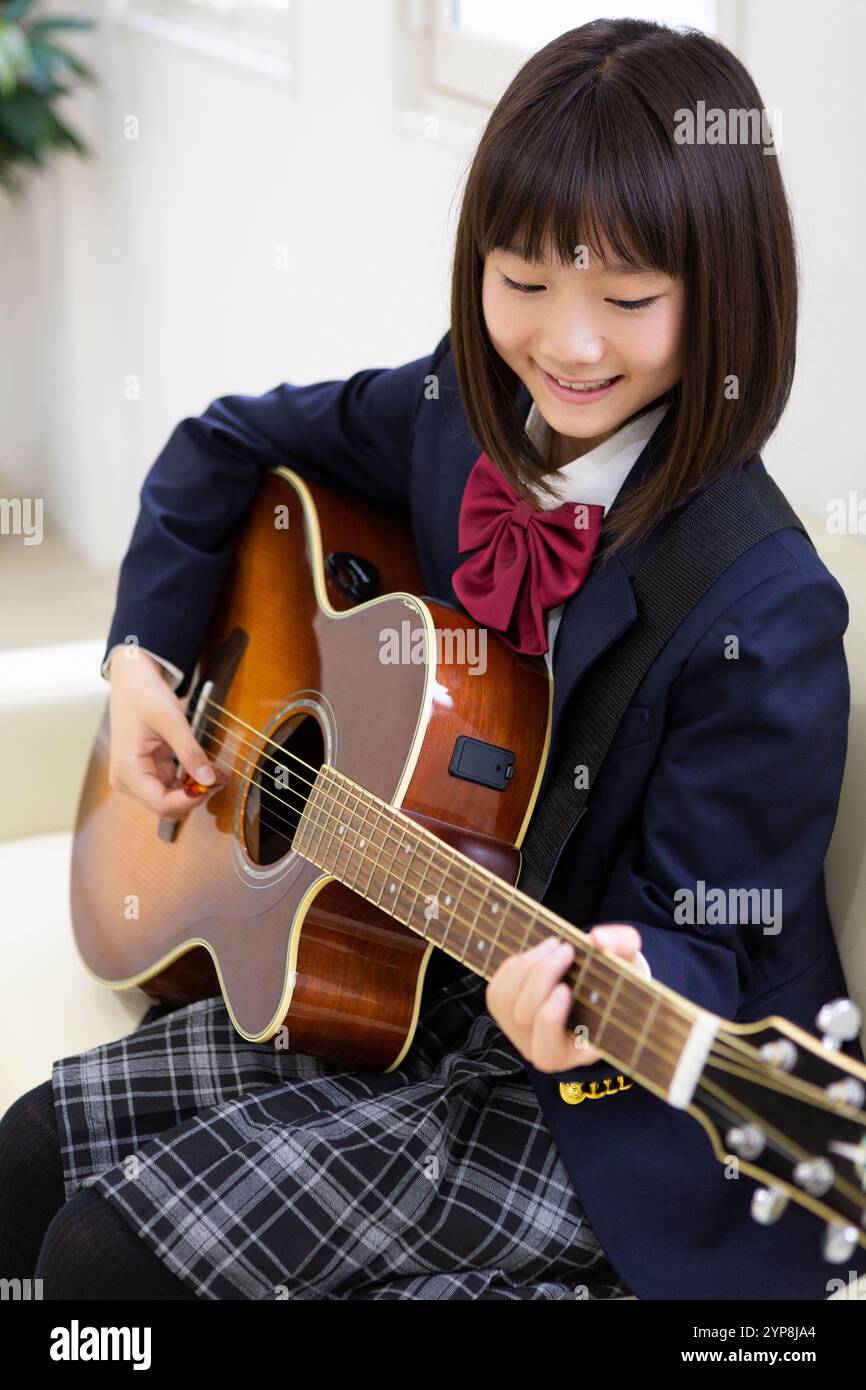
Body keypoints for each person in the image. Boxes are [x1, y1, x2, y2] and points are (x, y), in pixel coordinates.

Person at [1, 17, 862, 1301]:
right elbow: (222, 445)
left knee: (100, 1261)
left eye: (628, 301)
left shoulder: (765, 606)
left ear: (723, 293)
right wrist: (140, 662)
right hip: (402, 954)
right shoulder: (454, 410)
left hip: (613, 1107)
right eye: (523, 283)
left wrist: (613, 990)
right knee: (25, 1158)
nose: (568, 344)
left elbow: (714, 934)